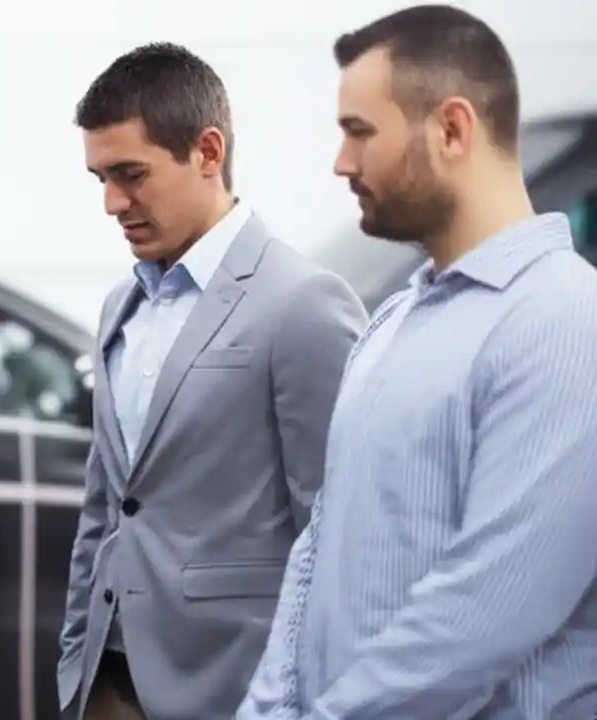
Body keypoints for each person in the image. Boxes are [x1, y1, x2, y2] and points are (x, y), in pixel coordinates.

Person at [238, 6, 597, 719]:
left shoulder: (565, 321)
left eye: (359, 132)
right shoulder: (394, 322)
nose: (342, 162)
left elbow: (484, 611)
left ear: (453, 128)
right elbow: (314, 552)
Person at [57, 43, 367, 720]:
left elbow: (341, 532)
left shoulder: (304, 304)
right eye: (100, 178)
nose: (112, 202)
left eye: (131, 174)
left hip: (233, 686)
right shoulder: (121, 305)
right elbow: (107, 508)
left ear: (207, 151)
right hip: (106, 681)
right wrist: (74, 655)